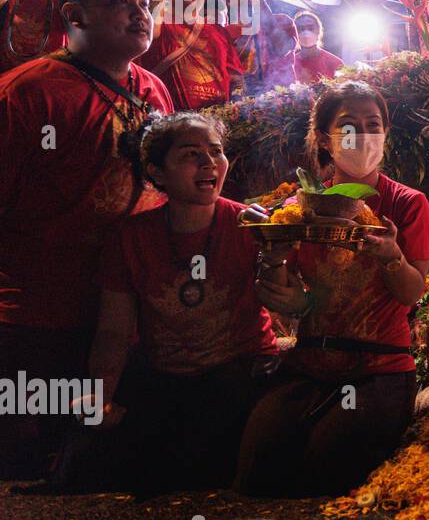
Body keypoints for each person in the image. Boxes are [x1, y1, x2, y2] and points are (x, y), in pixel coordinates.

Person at [0, 0, 173, 478]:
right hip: (38, 315)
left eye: (144, 3)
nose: (141, 14)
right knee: (28, 468)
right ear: (74, 14)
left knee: (108, 470)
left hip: (130, 314)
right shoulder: (26, 92)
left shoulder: (153, 91)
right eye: (122, 3)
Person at [52, 112, 279, 492]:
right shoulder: (131, 237)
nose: (209, 163)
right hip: (167, 376)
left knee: (199, 459)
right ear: (157, 172)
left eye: (216, 151)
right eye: (191, 154)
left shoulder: (249, 225)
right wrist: (100, 398)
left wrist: (277, 253)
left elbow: (288, 302)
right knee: (88, 463)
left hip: (240, 372)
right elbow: (114, 331)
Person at [238, 81, 429, 496]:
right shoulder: (300, 209)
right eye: (348, 125)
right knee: (258, 468)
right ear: (324, 139)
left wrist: (390, 255)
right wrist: (273, 258)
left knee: (323, 471)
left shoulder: (406, 203)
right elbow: (287, 299)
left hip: (379, 370)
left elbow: (411, 293)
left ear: (385, 134)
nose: (362, 135)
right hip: (308, 366)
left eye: (372, 124)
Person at [140, 0, 245, 108]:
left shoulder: (218, 31)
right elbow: (148, 29)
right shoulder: (160, 23)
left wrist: (237, 110)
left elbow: (235, 77)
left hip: (215, 123)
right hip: (168, 121)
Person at [289, 10, 343, 84]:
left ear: (319, 30)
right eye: (300, 29)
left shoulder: (335, 63)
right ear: (295, 33)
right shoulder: (290, 64)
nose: (306, 33)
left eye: (310, 28)